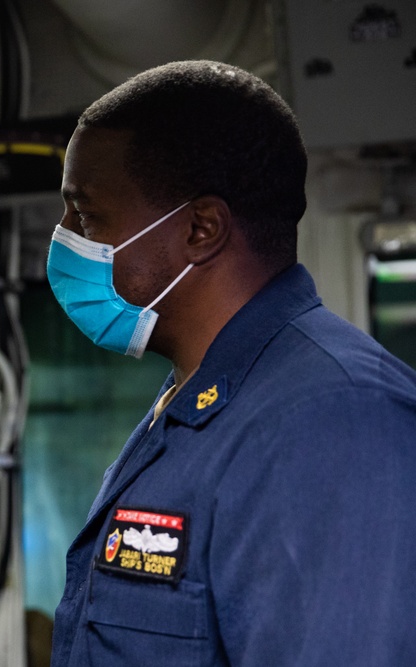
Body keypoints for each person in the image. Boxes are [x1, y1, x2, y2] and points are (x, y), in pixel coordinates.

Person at [46, 60, 416, 665]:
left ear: (201, 229)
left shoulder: (333, 422)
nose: (65, 239)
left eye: (86, 216)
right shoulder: (199, 403)